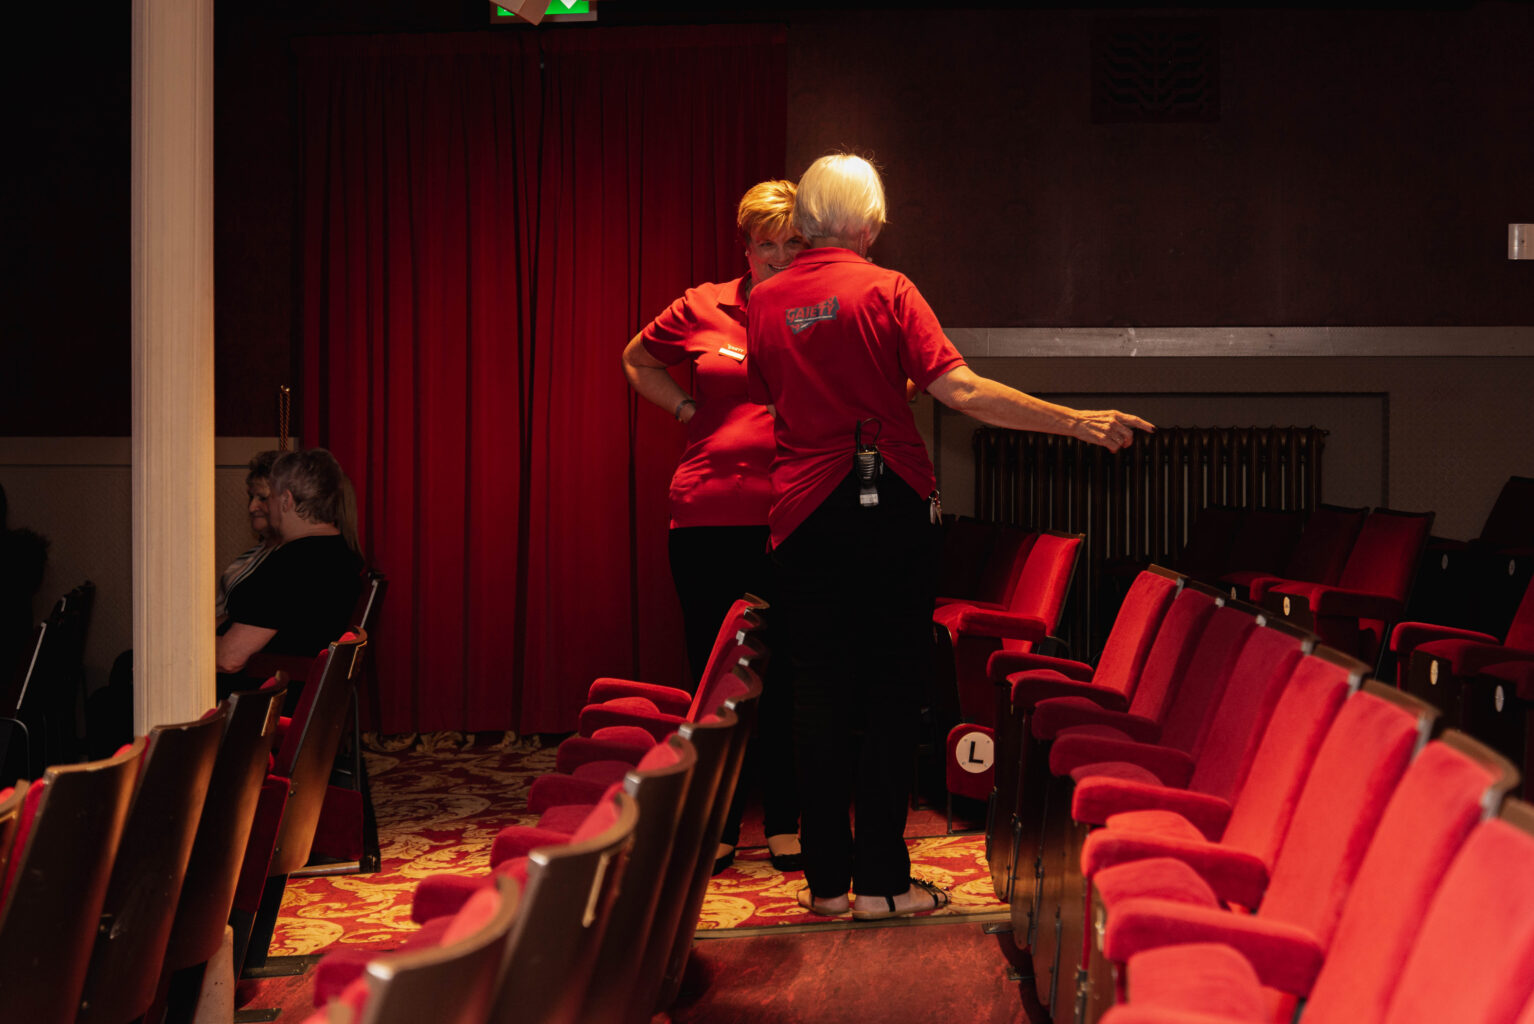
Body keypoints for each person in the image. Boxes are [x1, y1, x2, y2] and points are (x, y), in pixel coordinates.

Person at [746, 153, 1153, 920]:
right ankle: (882, 885)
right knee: (893, 689)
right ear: (868, 220)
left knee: (817, 692)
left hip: (798, 514)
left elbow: (785, 397)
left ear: (803, 219)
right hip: (884, 504)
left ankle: (827, 885)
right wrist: (1077, 423)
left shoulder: (763, 302)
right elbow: (958, 389)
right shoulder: (887, 288)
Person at [621, 179, 806, 873]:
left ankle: (785, 821)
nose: (780, 256)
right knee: (717, 674)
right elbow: (636, 359)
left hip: (793, 514)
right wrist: (685, 412)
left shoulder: (823, 309)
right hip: (704, 516)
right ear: (747, 247)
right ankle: (719, 823)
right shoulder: (704, 304)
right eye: (768, 244)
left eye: (795, 243)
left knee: (788, 670)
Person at [217, 447, 364, 688]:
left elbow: (229, 659)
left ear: (285, 500)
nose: (261, 507)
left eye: (269, 497)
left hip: (262, 701)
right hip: (294, 692)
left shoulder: (294, 563)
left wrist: (179, 647)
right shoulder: (340, 551)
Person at [217, 450, 282, 624]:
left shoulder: (287, 560)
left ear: (287, 500)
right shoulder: (256, 552)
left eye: (262, 498)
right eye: (250, 497)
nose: (252, 507)